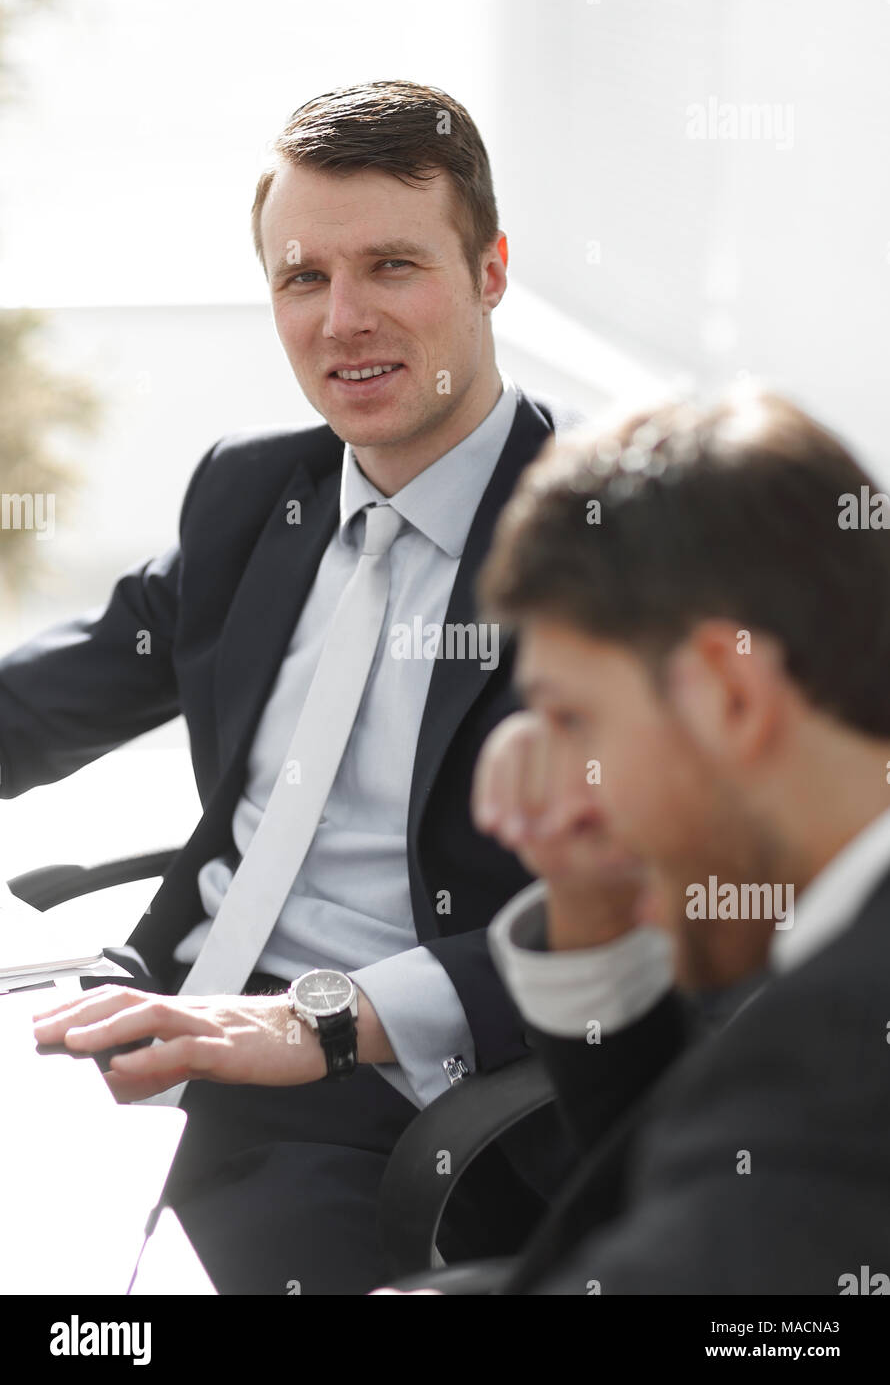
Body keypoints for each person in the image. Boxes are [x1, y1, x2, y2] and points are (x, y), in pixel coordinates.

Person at [12, 80, 580, 1294]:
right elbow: (50, 695)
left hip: (391, 1098)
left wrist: (313, 1023)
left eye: (390, 265)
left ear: (487, 273)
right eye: (302, 278)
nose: (343, 320)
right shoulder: (250, 492)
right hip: (156, 1007)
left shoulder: (608, 535)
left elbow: (651, 909)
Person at [388, 385, 890, 1293]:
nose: (563, 790)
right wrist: (591, 900)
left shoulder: (844, 1048)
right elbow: (704, 1211)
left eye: (574, 720)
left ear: (729, 695)